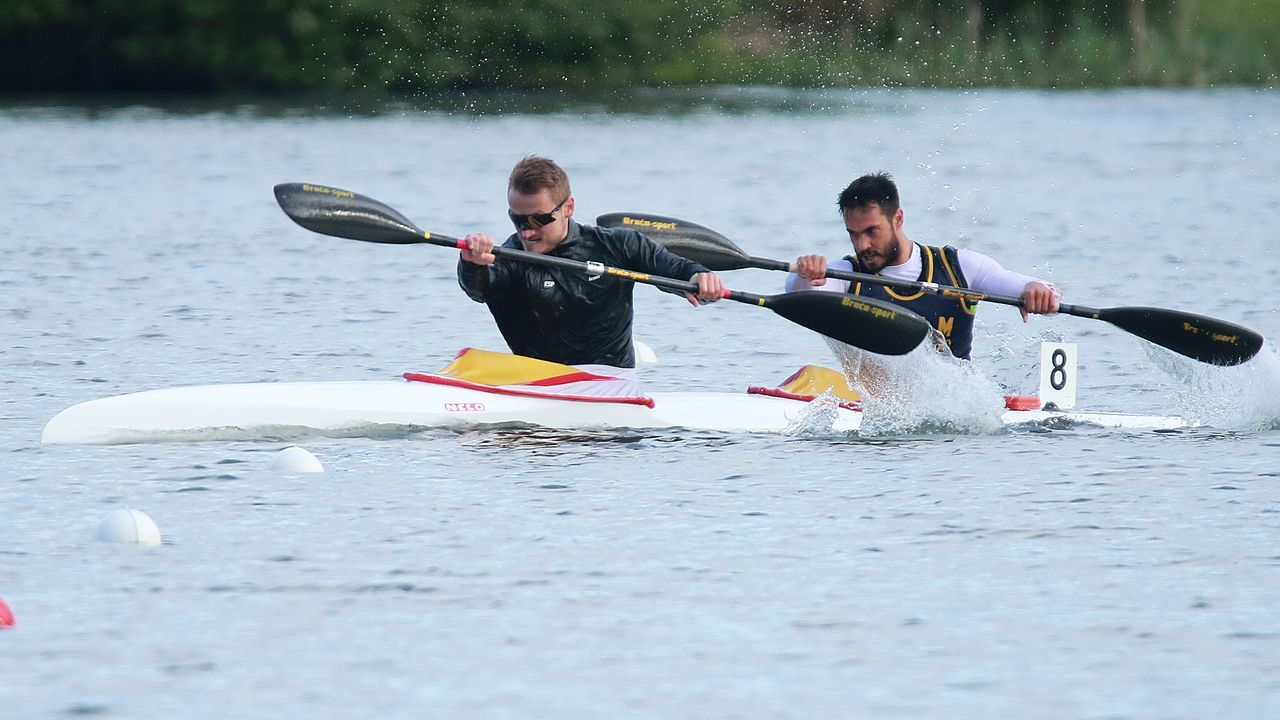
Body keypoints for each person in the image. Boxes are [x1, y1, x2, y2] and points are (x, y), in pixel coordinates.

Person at [459, 156, 725, 369]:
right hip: (539, 382)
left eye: (538, 220)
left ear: (568, 207)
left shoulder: (617, 246)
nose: (526, 232)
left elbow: (678, 270)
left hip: (610, 384)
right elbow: (479, 287)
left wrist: (700, 279)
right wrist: (472, 263)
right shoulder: (510, 259)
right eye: (518, 220)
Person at [787, 172, 1059, 360]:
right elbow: (799, 294)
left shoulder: (959, 267)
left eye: (872, 231)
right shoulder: (846, 275)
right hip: (881, 409)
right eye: (853, 234)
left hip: (955, 419)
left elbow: (1041, 291)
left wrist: (1035, 290)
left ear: (898, 219)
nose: (862, 245)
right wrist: (805, 274)